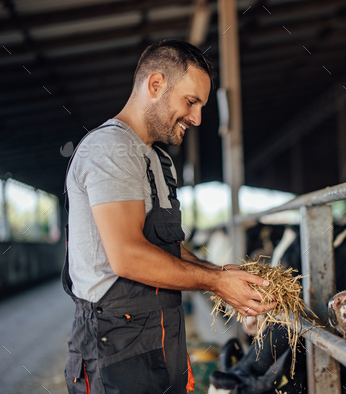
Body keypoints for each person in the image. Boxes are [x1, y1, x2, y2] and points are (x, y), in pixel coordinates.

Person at [62, 39, 276, 394]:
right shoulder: (110, 149)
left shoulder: (155, 160)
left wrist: (221, 273)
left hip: (159, 336)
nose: (197, 118)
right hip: (114, 345)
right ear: (156, 85)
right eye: (191, 102)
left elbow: (165, 250)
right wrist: (215, 284)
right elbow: (128, 256)